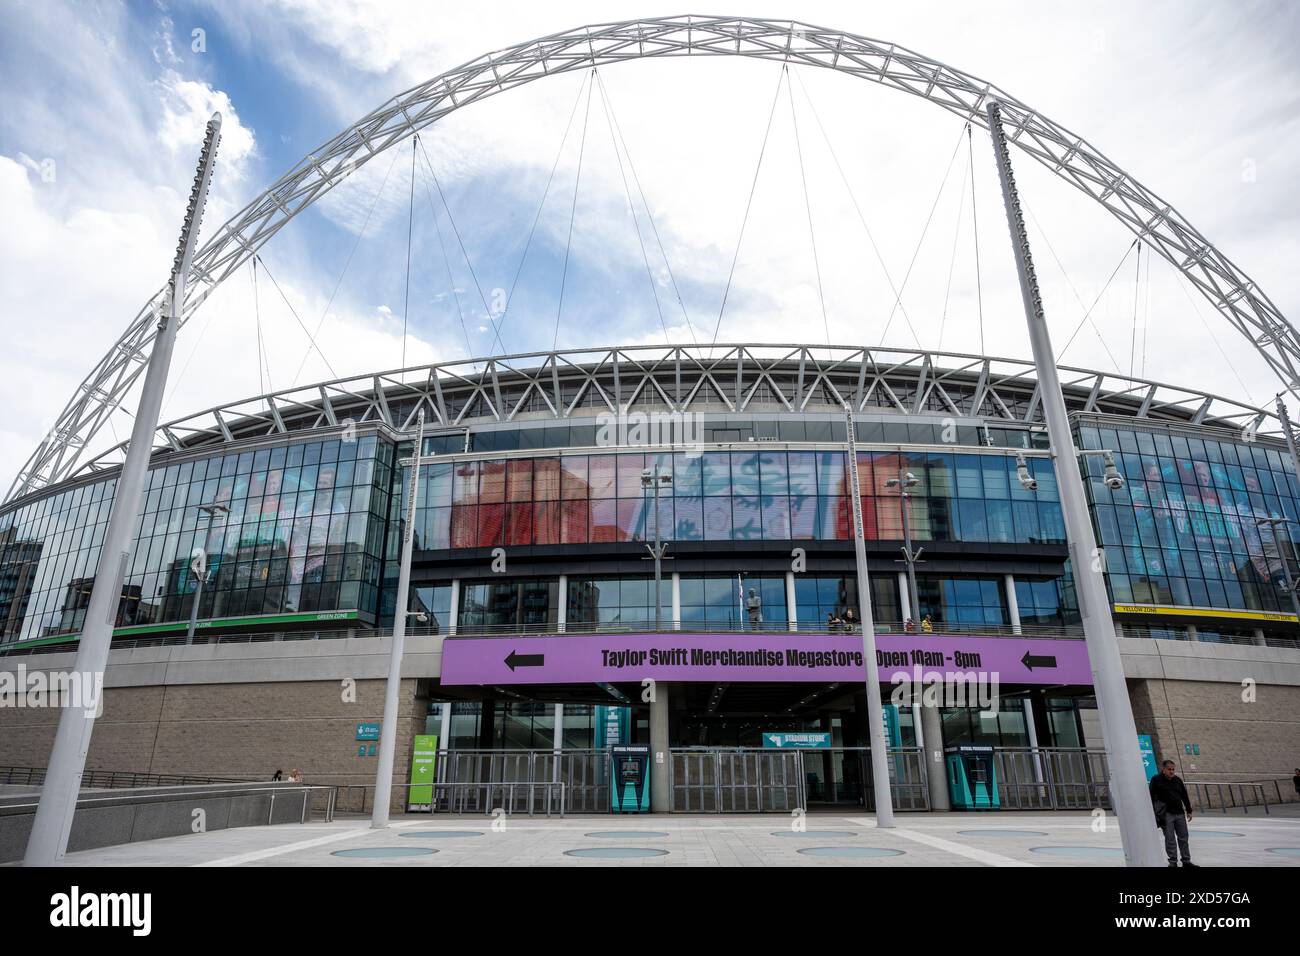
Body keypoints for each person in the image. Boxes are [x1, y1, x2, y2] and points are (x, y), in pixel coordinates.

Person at [1149, 759, 1197, 867]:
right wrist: (1153, 814)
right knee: (1170, 839)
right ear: (1163, 769)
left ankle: (1186, 861)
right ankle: (1173, 862)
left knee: (1184, 837)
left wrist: (1188, 810)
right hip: (1165, 815)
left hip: (1179, 813)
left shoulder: (1177, 780)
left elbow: (1184, 795)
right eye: (1169, 769)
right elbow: (1150, 797)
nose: (1171, 771)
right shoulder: (1156, 780)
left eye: (1173, 769)